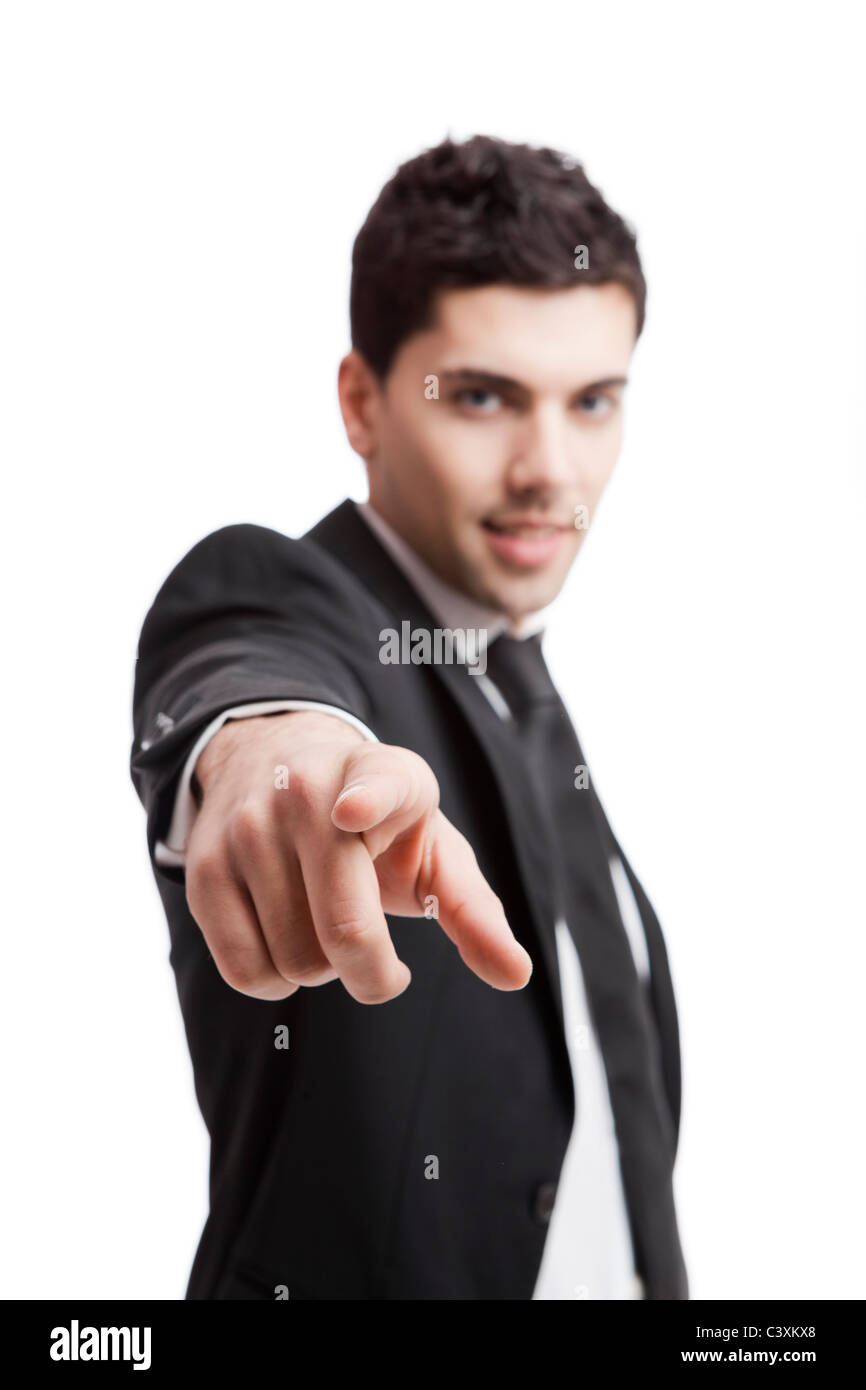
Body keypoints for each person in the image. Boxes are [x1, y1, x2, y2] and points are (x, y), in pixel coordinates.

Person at [130, 134, 688, 1300]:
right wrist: (279, 762)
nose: (549, 467)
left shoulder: (516, 682)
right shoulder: (284, 595)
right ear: (360, 401)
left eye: (591, 401)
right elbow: (251, 686)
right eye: (482, 397)